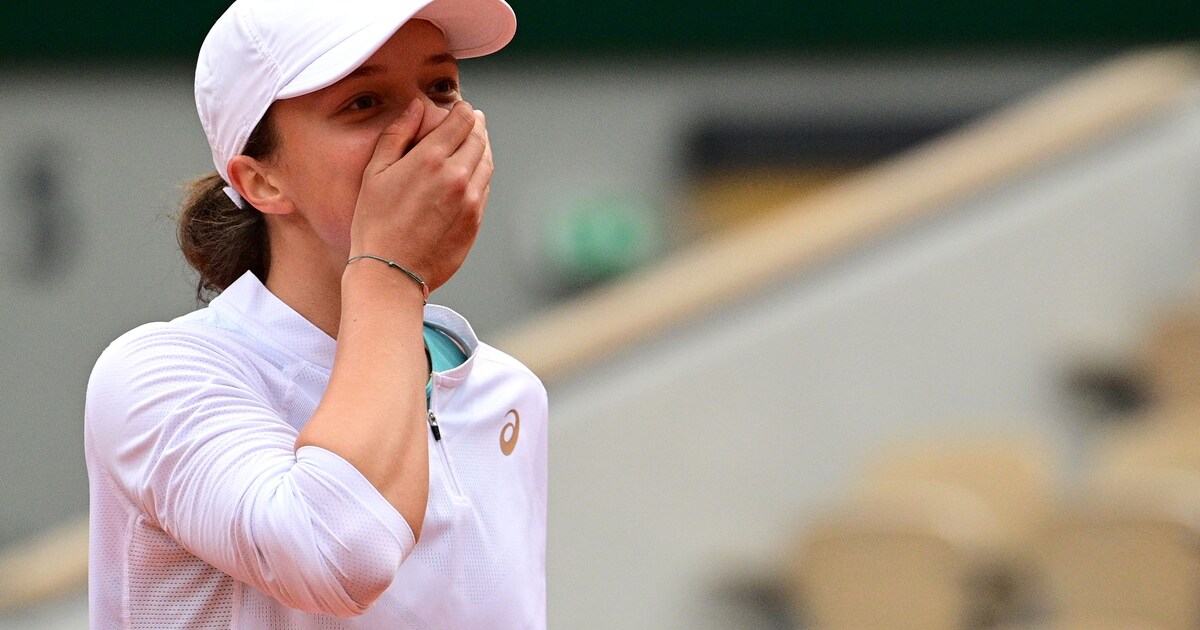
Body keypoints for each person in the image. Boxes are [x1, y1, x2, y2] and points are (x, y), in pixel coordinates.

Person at [83, 0, 547, 627]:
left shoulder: (510, 392)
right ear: (261, 182)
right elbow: (340, 553)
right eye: (365, 102)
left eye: (441, 87)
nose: (429, 128)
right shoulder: (155, 376)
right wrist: (390, 271)